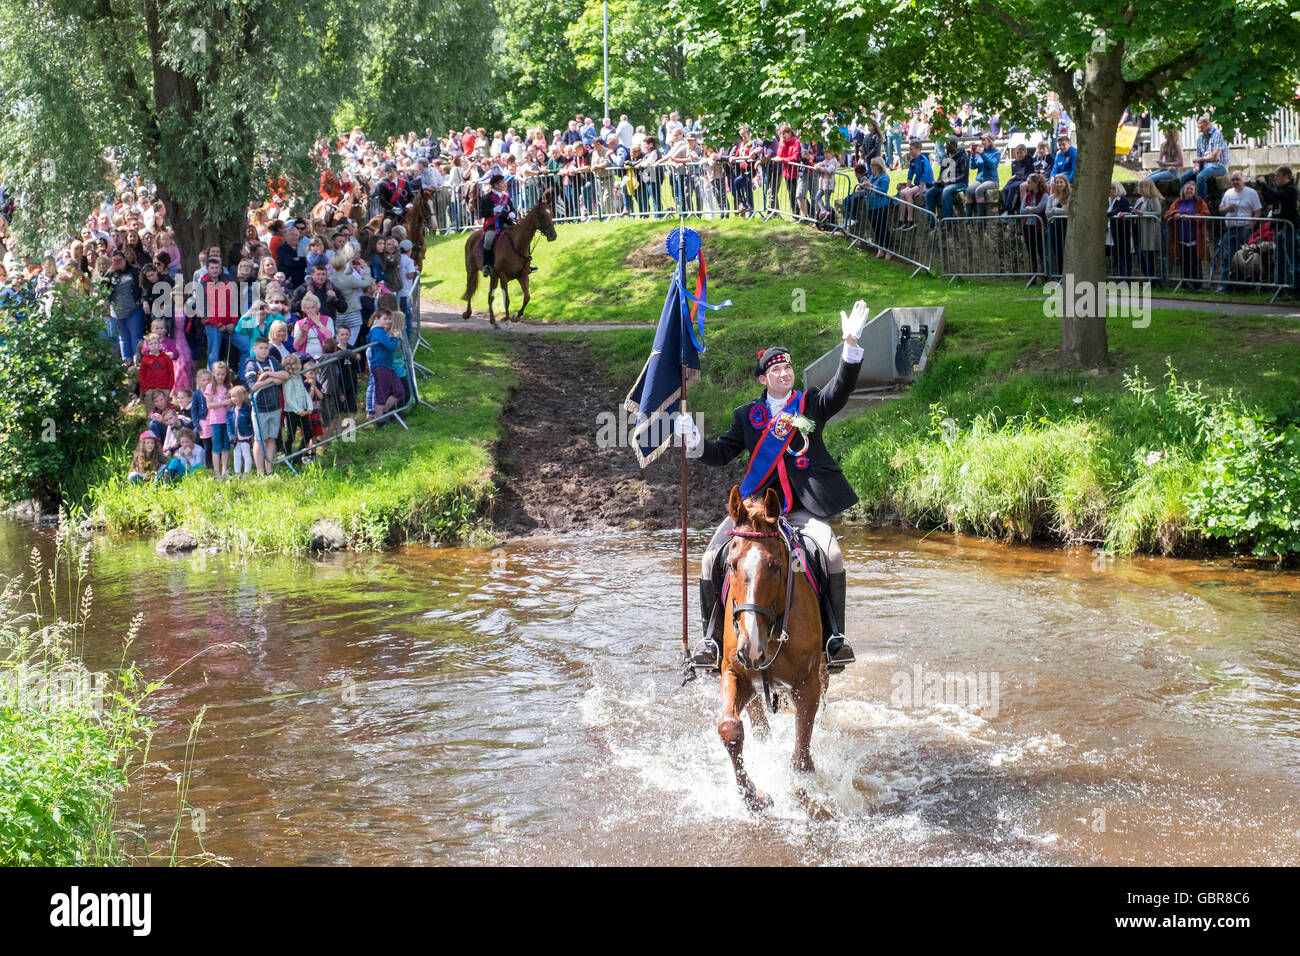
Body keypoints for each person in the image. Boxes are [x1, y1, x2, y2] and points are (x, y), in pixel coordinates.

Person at [674, 301, 872, 672]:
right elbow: (721, 453)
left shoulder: (810, 403)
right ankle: (710, 642)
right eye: (776, 369)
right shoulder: (747, 416)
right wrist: (696, 442)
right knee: (708, 560)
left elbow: (841, 390)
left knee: (831, 555)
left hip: (800, 509)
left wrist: (850, 346)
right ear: (763, 379)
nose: (784, 373)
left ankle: (834, 640)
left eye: (788, 367)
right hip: (754, 512)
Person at [242, 336, 289, 474]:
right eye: (261, 348)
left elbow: (285, 375)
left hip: (275, 406)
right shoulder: (251, 364)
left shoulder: (272, 361)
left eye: (266, 348)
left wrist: (268, 374)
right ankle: (260, 471)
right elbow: (253, 386)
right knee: (259, 439)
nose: (264, 351)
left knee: (271, 438)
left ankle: (269, 469)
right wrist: (273, 380)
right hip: (260, 408)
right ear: (254, 349)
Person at [1254, 166, 1298, 298]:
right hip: (1278, 228)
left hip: (1289, 228)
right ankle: (1279, 289)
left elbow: (1277, 196)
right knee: (1278, 260)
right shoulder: (1280, 189)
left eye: (1279, 176)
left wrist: (1264, 185)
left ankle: (1296, 290)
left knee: (1292, 260)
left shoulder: (1291, 189)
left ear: (1287, 176)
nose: (1276, 178)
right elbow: (1270, 199)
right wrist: (1262, 188)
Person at [1215, 171, 1262, 292]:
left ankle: (1243, 286)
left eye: (1237, 179)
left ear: (1243, 180)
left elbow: (1258, 211)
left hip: (1244, 229)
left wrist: (1251, 224)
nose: (1235, 182)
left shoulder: (1251, 193)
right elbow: (1220, 209)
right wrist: (1227, 208)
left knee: (1243, 258)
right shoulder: (1228, 193)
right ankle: (1224, 285)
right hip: (1230, 230)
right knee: (1227, 258)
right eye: (1233, 180)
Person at [1179, 114, 1229, 200]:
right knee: (1184, 177)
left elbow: (1215, 156)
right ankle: (1184, 202)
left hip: (1219, 166)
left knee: (1201, 177)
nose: (1199, 129)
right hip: (1205, 166)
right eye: (1198, 125)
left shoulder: (1218, 135)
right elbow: (1198, 156)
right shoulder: (1200, 138)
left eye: (1200, 125)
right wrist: (1197, 166)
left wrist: (1200, 160)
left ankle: (1201, 205)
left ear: (1208, 124)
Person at [477, 173, 516, 277]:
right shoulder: (486, 198)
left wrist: (513, 213)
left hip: (507, 224)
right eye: (502, 182)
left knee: (521, 235)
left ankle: (524, 262)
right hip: (492, 226)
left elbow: (512, 208)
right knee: (488, 241)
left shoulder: (505, 197)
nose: (504, 184)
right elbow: (482, 213)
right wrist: (493, 211)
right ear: (495, 185)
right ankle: (487, 266)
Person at [897, 139, 932, 228]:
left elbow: (925, 173)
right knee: (902, 193)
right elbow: (910, 174)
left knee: (908, 193)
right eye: (910, 149)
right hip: (917, 184)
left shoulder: (923, 159)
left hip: (926, 184)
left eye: (911, 149)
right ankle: (901, 220)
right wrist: (908, 186)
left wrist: (920, 190)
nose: (910, 151)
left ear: (918, 149)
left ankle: (910, 220)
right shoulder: (913, 161)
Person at [965, 134, 1001, 216]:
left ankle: (980, 219)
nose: (982, 142)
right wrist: (973, 156)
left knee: (979, 190)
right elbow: (972, 166)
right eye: (982, 140)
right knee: (969, 190)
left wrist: (982, 155)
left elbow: (992, 166)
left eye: (984, 140)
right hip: (980, 180)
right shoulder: (980, 152)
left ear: (990, 141)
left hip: (992, 180)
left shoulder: (996, 153)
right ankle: (968, 218)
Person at [228, 385, 255, 475]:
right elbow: (228, 425)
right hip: (235, 437)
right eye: (232, 396)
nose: (234, 399)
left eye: (236, 396)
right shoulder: (230, 411)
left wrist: (252, 434)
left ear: (243, 397)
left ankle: (247, 472)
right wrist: (231, 435)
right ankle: (237, 472)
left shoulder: (247, 409)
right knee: (236, 454)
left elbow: (251, 422)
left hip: (245, 435)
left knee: (246, 453)